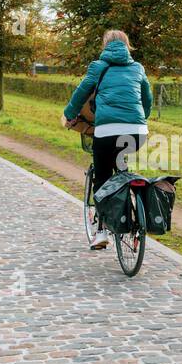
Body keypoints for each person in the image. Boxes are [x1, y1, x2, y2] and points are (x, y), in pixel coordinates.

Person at [62, 29, 153, 250]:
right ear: (127, 45)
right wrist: (141, 118)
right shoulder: (137, 68)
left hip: (107, 131)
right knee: (120, 162)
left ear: (105, 45)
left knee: (102, 177)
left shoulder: (98, 66)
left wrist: (69, 114)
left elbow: (81, 92)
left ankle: (101, 231)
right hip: (138, 131)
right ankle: (127, 194)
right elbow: (147, 99)